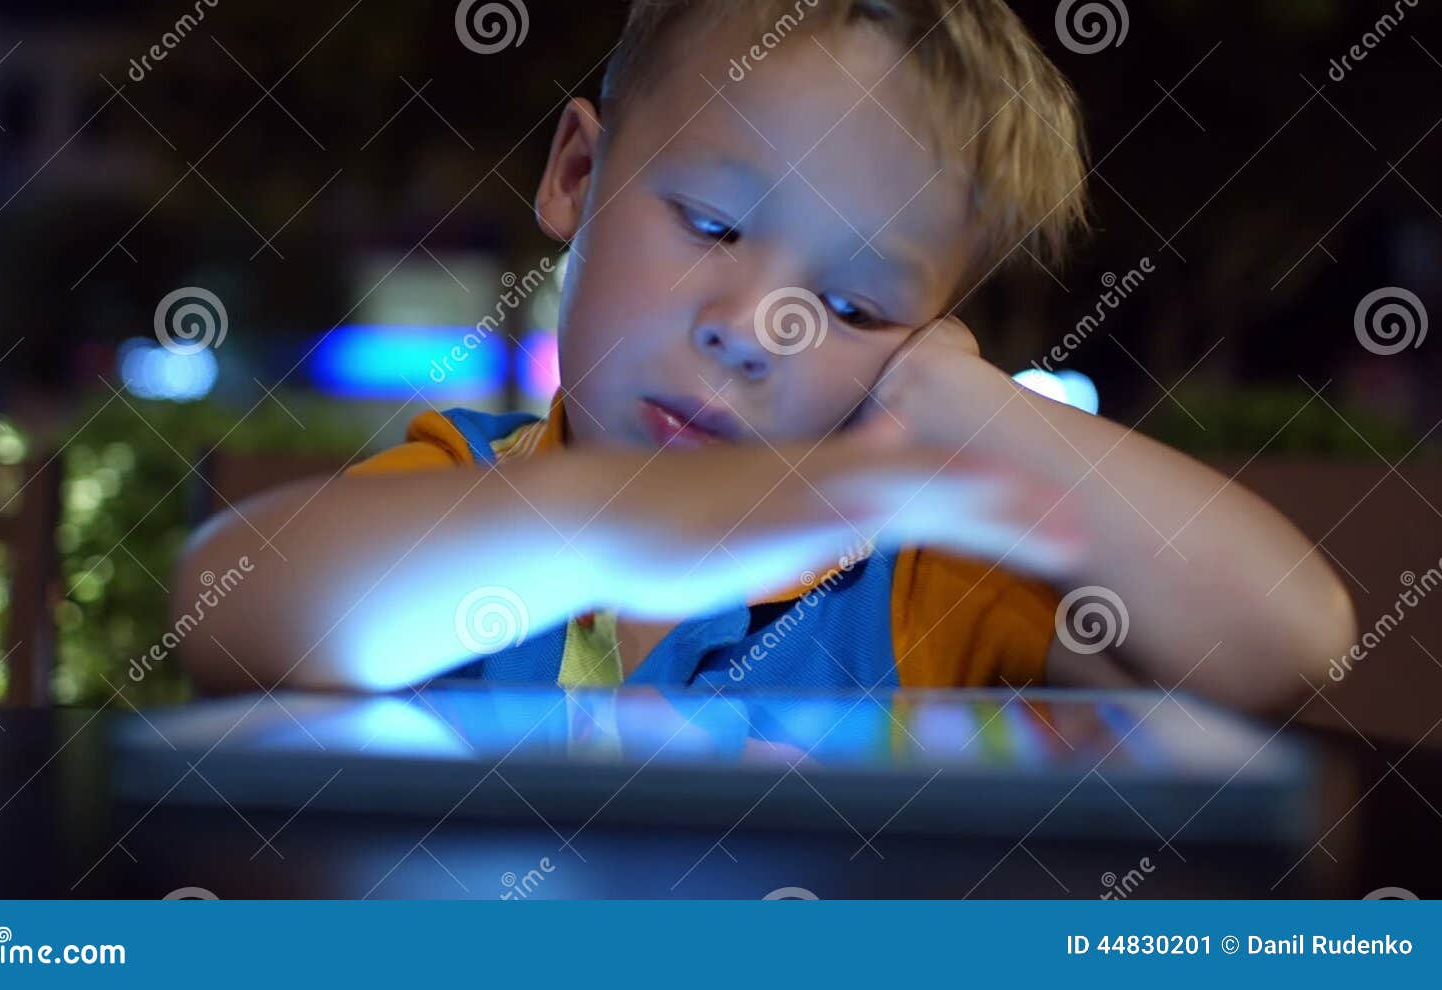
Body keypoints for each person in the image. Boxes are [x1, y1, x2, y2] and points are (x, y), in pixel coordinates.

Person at [178, 0, 1354, 713]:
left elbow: (1286, 645)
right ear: (577, 174)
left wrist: (954, 397)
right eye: (710, 226)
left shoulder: (914, 582)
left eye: (852, 305)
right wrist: (625, 523)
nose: (752, 329)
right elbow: (228, 608)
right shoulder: (465, 504)